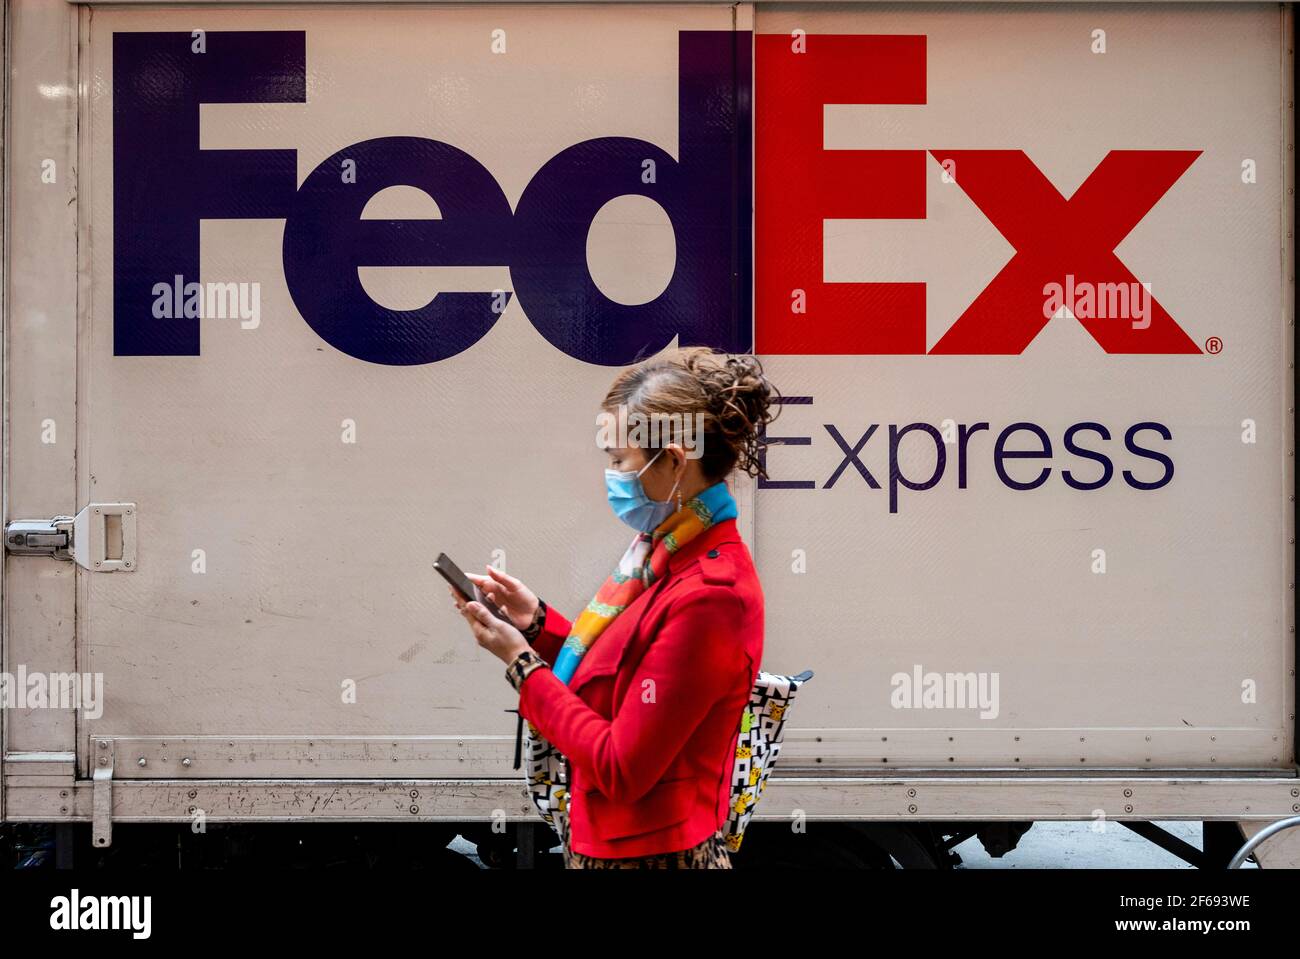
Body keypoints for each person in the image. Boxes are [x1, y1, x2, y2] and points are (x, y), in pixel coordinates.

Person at [448, 347, 779, 868]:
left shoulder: (712, 594)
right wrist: (535, 625)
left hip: (653, 855)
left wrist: (520, 665)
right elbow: (624, 676)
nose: (612, 476)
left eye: (619, 460)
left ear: (672, 461)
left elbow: (622, 767)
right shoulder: (663, 553)